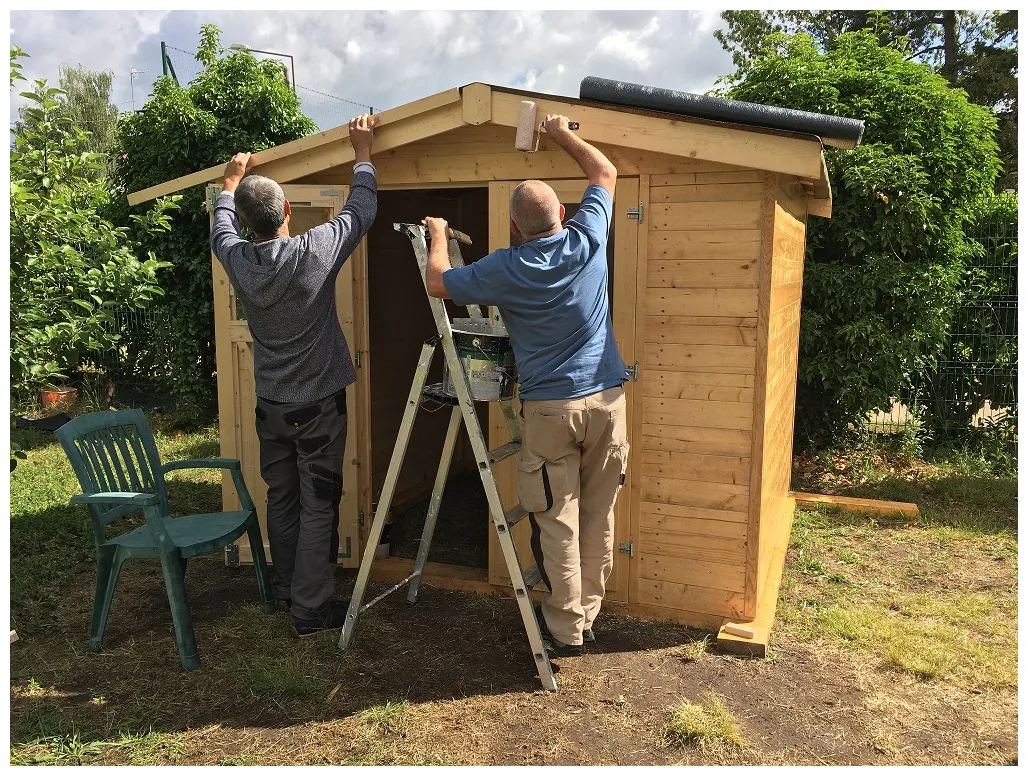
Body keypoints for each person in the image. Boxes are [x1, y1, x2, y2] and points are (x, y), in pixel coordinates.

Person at [422, 114, 629, 657]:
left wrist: (439, 236)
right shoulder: (587, 238)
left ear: (516, 229)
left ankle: (565, 632)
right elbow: (605, 171)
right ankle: (588, 618)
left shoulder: (506, 267)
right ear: (563, 214)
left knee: (557, 520)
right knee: (598, 514)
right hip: (607, 401)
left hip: (550, 411)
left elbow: (438, 282)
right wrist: (560, 132)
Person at [210, 115, 377, 638]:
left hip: (272, 410)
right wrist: (364, 151)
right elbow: (361, 209)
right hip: (318, 412)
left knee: (281, 498)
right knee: (318, 505)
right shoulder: (311, 251)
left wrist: (229, 184)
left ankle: (288, 590)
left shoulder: (238, 260)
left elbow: (219, 228)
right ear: (286, 211)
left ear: (247, 223)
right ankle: (310, 610)